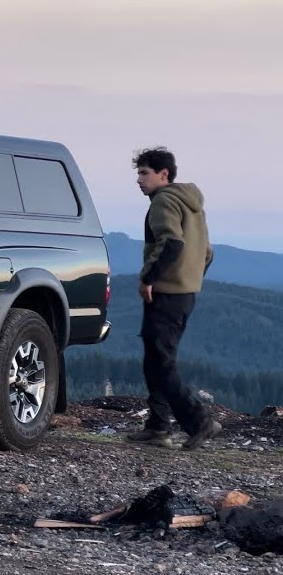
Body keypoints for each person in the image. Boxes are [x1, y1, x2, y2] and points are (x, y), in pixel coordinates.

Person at [125, 147, 220, 450]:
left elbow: (172, 244)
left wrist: (148, 278)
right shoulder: (193, 205)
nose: (139, 180)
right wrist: (189, 280)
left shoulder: (163, 201)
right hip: (185, 293)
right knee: (156, 360)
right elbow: (206, 253)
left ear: (163, 174)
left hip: (165, 294)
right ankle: (157, 427)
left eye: (144, 173)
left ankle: (199, 421)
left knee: (161, 362)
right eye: (138, 173)